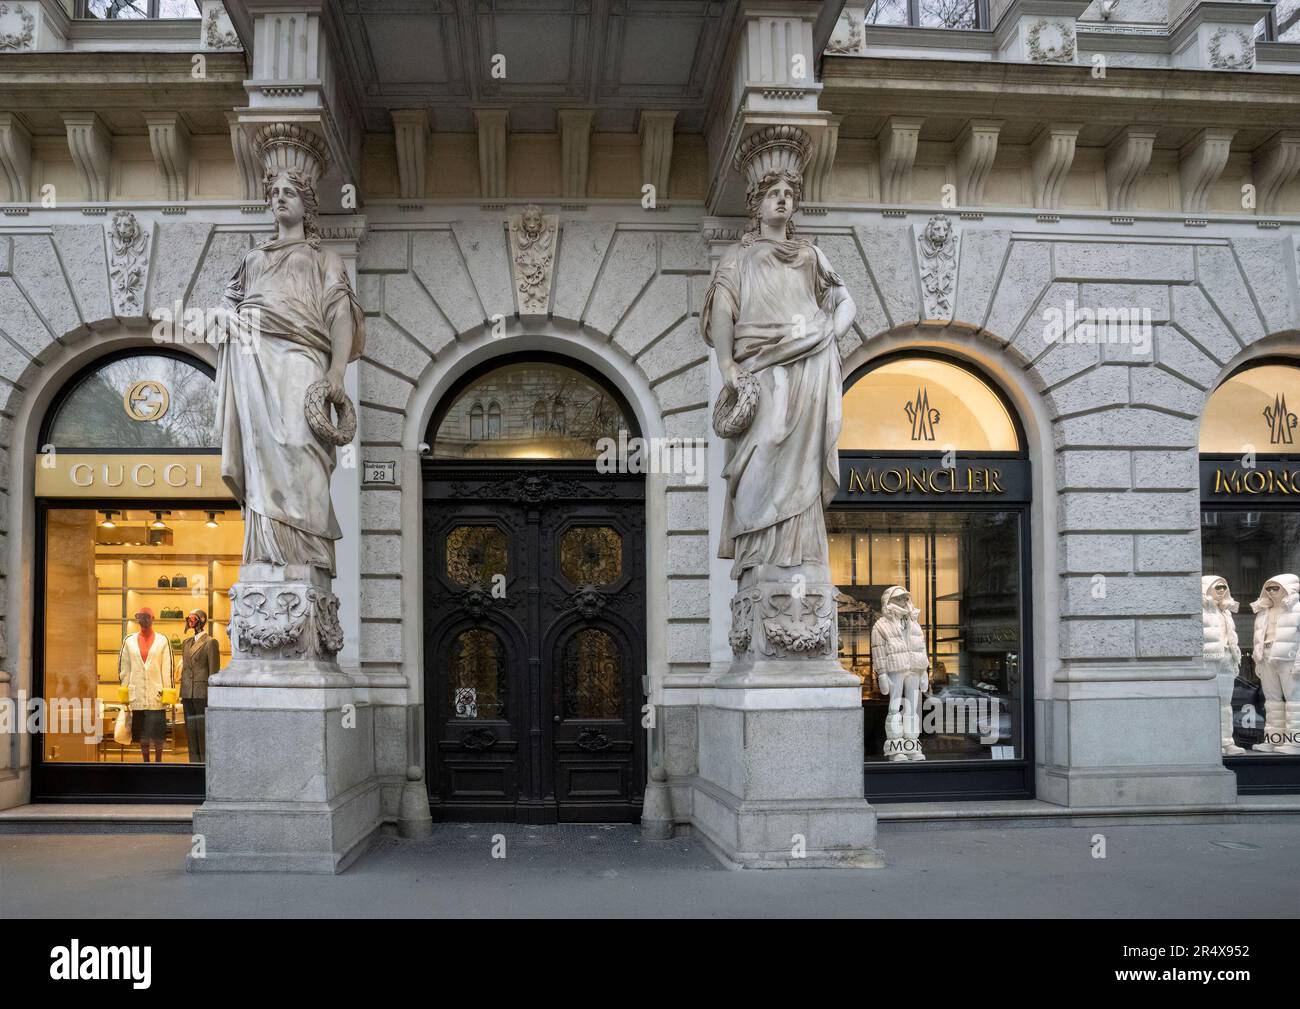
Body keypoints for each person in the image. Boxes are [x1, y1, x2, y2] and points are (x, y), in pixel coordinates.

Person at [701, 129, 856, 588]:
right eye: (773, 193)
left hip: (807, 361)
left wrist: (828, 333)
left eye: (789, 193)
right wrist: (728, 367)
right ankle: (757, 554)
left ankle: (797, 556)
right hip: (761, 368)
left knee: (804, 461)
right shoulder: (738, 257)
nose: (782, 200)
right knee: (764, 447)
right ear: (757, 203)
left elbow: (846, 302)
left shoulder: (810, 254)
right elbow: (724, 310)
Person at [216, 166, 365, 575]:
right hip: (255, 355)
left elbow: (339, 314)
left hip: (302, 355)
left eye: (290, 193)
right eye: (275, 192)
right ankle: (269, 549)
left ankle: (308, 545)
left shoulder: (323, 257)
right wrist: (229, 320)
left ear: (306, 205)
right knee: (261, 450)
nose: (280, 198)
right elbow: (228, 303)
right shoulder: (254, 258)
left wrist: (336, 373)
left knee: (301, 445)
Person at [871, 587, 930, 761]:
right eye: (899, 599)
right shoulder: (881, 625)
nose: (904, 602)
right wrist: (881, 673)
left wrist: (924, 670)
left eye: (905, 598)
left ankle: (912, 745)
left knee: (912, 708)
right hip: (895, 668)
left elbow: (921, 647)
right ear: (889, 601)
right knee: (895, 707)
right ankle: (896, 746)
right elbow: (878, 651)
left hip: (914, 668)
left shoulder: (914, 623)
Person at [1249, 574, 1300, 754]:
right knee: (1272, 700)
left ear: (1288, 587)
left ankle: (1295, 742)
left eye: (1275, 588)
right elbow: (1258, 637)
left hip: (1289, 657)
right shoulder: (1264, 610)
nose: (1271, 592)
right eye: (1268, 588)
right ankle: (1274, 739)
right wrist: (1258, 657)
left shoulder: (1297, 609)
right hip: (1266, 656)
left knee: (1294, 700)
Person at [118, 607, 174, 763]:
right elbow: (124, 668)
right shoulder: (129, 641)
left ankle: (158, 762)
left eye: (147, 616)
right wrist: (125, 694)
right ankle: (146, 763)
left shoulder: (162, 640)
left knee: (157, 736)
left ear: (153, 618)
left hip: (156, 696)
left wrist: (168, 695)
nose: (143, 619)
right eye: (139, 616)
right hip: (137, 696)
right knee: (142, 736)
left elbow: (167, 668)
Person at [1202, 576, 1245, 756]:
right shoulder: (1201, 611)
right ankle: (1210, 741)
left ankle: (1227, 741)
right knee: (1208, 702)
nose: (1221, 590)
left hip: (1228, 657)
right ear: (1206, 588)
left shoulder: (1226, 611)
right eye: (1217, 587)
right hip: (1209, 659)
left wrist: (1235, 657)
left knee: (1225, 703)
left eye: (1223, 587)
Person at [180, 609, 220, 762]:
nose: (190, 621)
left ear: (201, 620)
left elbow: (213, 672)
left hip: (202, 693)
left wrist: (214, 696)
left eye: (193, 618)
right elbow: (185, 669)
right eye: (188, 618)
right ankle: (193, 763)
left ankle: (204, 764)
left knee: (202, 730)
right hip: (187, 692)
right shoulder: (186, 643)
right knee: (190, 731)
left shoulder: (210, 642)